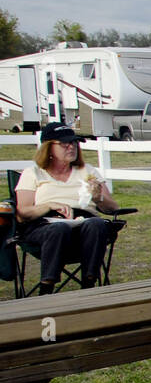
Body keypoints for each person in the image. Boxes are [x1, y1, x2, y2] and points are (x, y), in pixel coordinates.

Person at [13, 122, 119, 294]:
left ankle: (89, 285)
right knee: (59, 229)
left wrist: (98, 197)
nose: (71, 147)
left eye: (74, 142)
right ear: (48, 147)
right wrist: (48, 205)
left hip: (84, 226)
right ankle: (47, 288)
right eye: (64, 143)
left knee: (97, 224)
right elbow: (22, 213)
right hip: (45, 226)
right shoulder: (33, 173)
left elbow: (112, 207)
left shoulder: (87, 171)